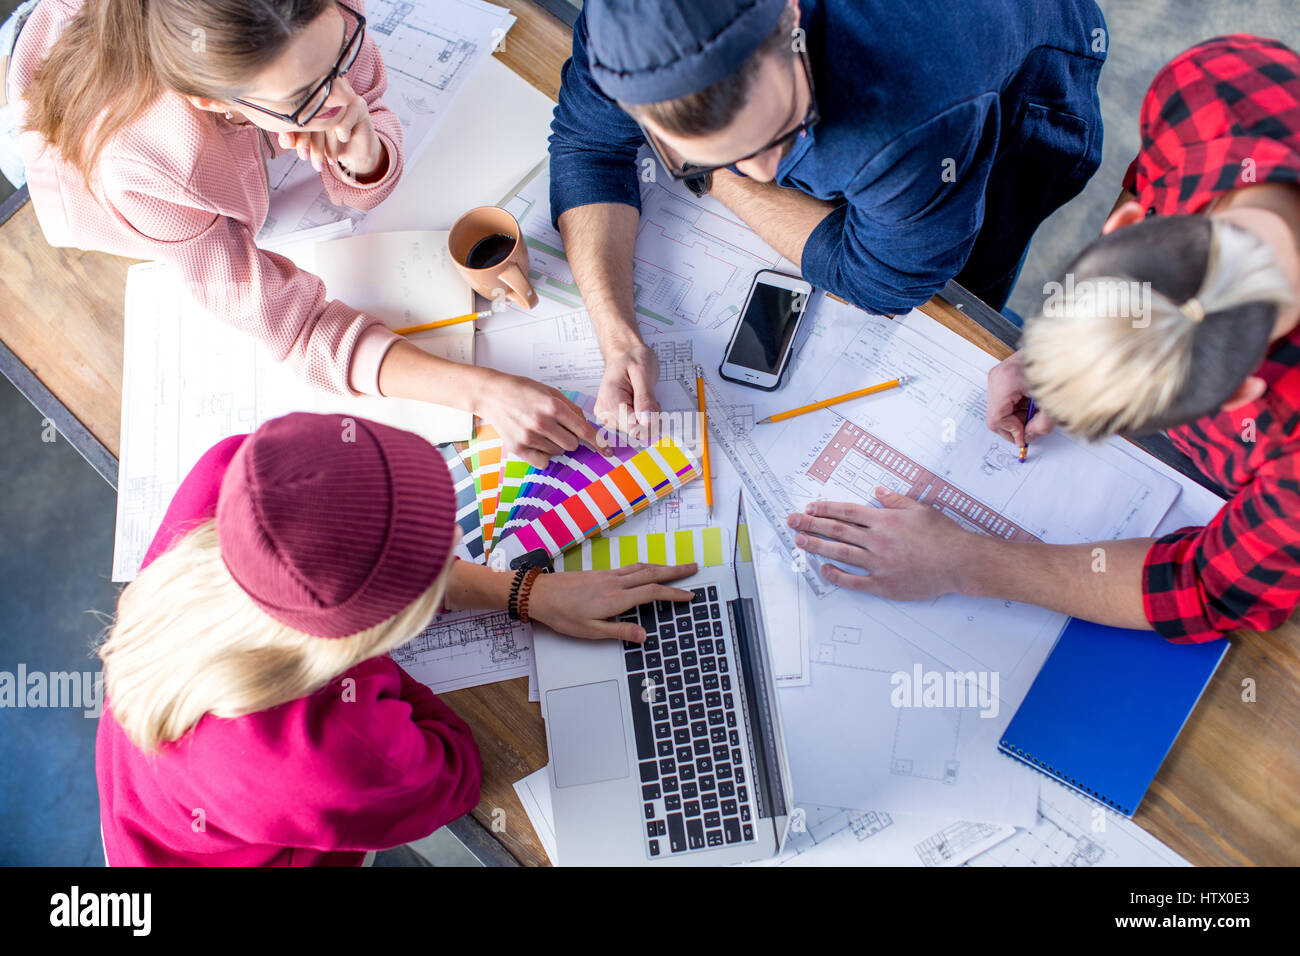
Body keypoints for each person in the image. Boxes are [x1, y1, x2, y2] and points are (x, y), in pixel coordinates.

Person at [785, 35, 1300, 644]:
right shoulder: (1220, 88)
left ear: (1243, 393)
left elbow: (1208, 589)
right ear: (1126, 228)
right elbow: (1145, 182)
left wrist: (963, 561)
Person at [8, 0, 596, 467]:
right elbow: (295, 328)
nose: (339, 96)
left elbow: (361, 99)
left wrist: (364, 149)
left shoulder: (317, 19)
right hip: (46, 92)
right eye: (303, 96)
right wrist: (482, 393)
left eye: (337, 58)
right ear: (210, 100)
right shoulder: (146, 164)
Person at [97, 411, 697, 865]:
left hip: (149, 811)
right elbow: (453, 772)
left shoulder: (234, 478)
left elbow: (337, 544)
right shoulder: (336, 755)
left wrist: (524, 592)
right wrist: (381, 667)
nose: (451, 550)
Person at [548, 0, 1108, 429]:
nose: (763, 174)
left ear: (791, 15)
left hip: (1011, 79)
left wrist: (712, 176)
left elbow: (885, 282)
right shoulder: (628, 26)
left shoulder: (918, 111)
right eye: (709, 151)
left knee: (967, 286)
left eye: (782, 132)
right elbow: (589, 146)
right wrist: (619, 336)